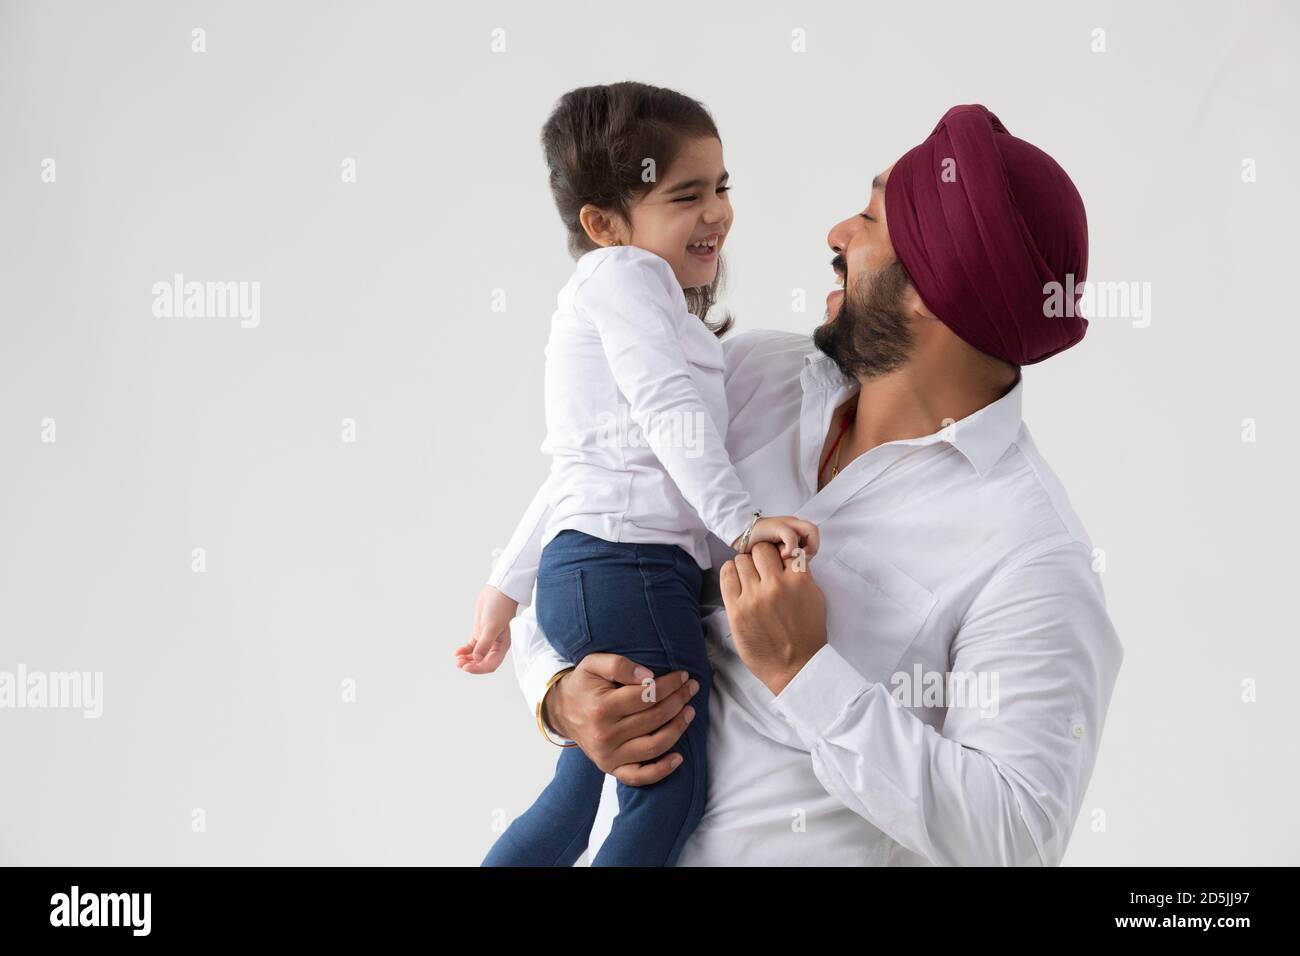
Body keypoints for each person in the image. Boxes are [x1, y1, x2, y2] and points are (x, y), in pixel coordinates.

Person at [500, 104, 1124, 866]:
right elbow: (583, 518)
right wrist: (559, 695)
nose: (838, 234)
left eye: (869, 222)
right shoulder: (750, 376)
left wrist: (806, 674)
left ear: (933, 289)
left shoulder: (1033, 556)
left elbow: (1016, 836)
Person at [455, 82, 817, 866]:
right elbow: (663, 409)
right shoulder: (624, 276)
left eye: (722, 187)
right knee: (671, 789)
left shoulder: (645, 306)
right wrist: (742, 525)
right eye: (685, 195)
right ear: (605, 224)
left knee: (582, 783)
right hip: (631, 570)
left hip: (594, 568)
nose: (716, 212)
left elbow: (577, 469)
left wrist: (504, 588)